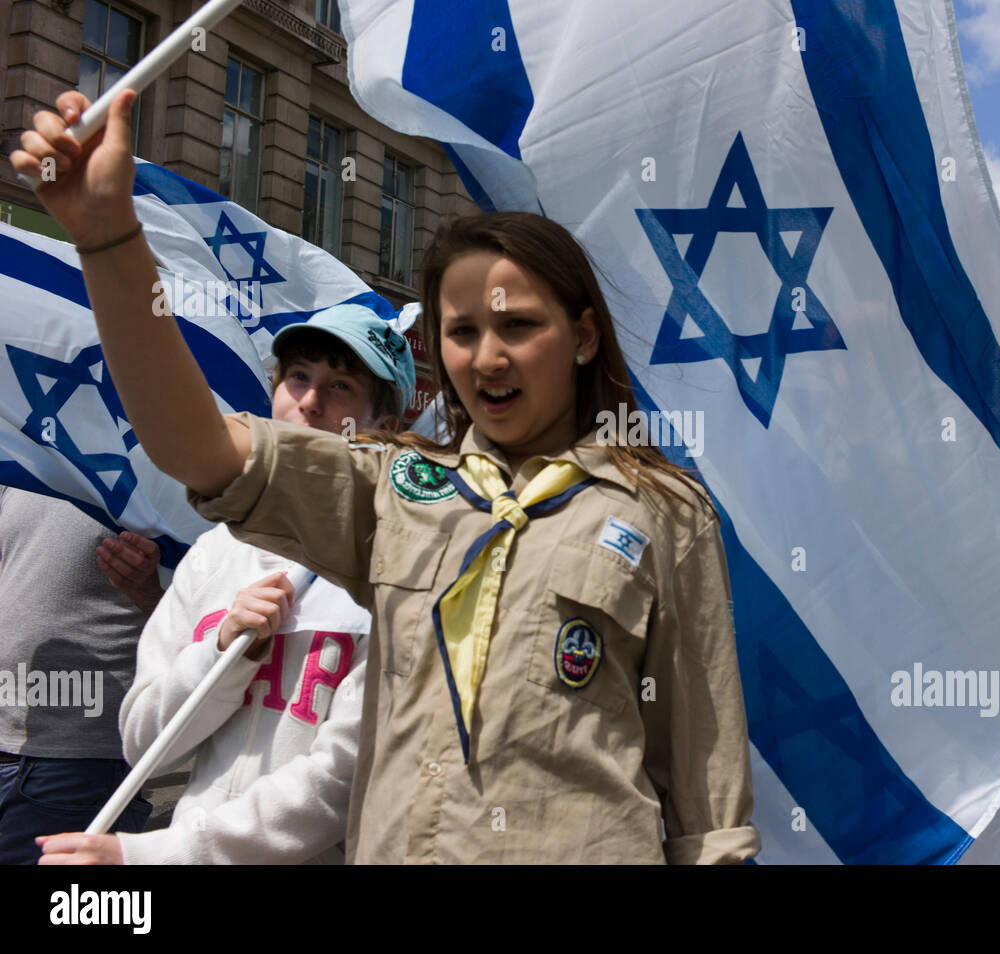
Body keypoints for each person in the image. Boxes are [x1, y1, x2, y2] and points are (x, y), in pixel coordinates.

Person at [12, 89, 760, 864]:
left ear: (582, 336)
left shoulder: (664, 513)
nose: (489, 357)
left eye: (520, 326)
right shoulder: (392, 489)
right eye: (463, 331)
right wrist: (110, 244)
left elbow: (710, 808)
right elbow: (196, 447)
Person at [35, 306, 411, 865]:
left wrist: (153, 855)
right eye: (299, 377)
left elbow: (340, 783)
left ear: (383, 423)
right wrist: (224, 653)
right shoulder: (214, 553)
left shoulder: (398, 568)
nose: (309, 402)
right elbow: (143, 744)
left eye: (341, 387)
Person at [0, 490, 161, 864]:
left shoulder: (150, 477)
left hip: (80, 757)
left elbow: (202, 617)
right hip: (11, 736)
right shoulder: (23, 465)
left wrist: (148, 589)